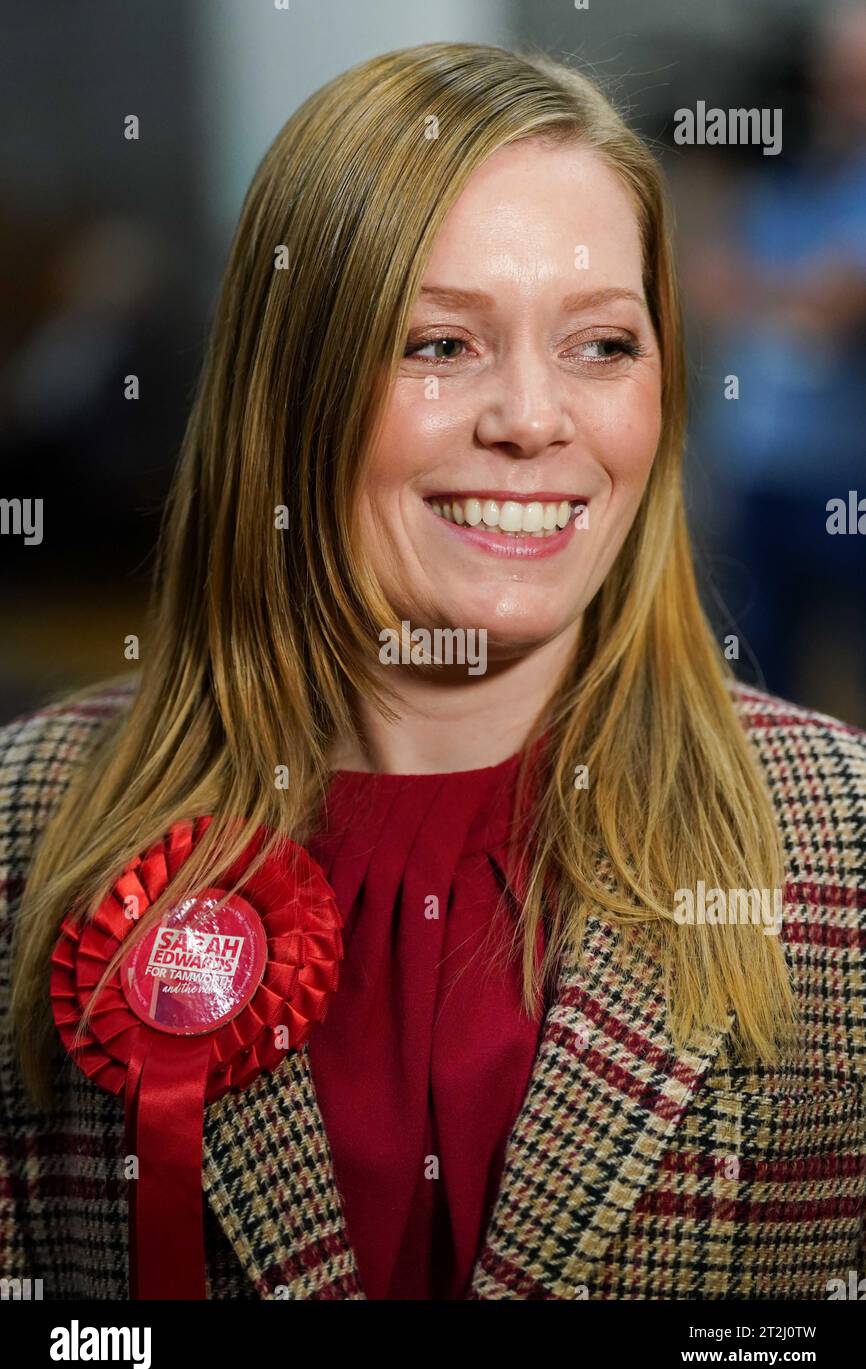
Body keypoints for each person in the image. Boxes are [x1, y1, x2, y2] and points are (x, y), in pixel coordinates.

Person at [1, 42, 864, 1302]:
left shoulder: (839, 845)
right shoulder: (28, 826)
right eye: (440, 344)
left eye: (602, 346)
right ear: (288, 387)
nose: (530, 418)